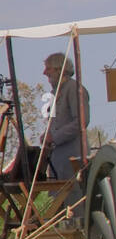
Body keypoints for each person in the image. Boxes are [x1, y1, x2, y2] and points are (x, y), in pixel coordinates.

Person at [41, 53, 89, 181]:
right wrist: (46, 134)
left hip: (73, 157)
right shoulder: (55, 93)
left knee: (73, 197)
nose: (45, 73)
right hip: (57, 159)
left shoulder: (74, 89)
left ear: (59, 69)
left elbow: (81, 121)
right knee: (58, 196)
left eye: (48, 68)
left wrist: (54, 137)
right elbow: (55, 122)